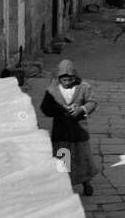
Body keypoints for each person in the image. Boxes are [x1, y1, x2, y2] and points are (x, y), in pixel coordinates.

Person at [40, 59, 98, 196]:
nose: (67, 82)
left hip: (79, 133)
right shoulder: (52, 90)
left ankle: (86, 183)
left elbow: (92, 102)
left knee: (82, 159)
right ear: (59, 78)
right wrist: (58, 109)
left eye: (70, 79)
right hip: (61, 133)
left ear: (75, 77)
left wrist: (81, 109)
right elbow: (45, 108)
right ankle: (63, 186)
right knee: (63, 160)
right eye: (64, 80)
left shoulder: (84, 87)